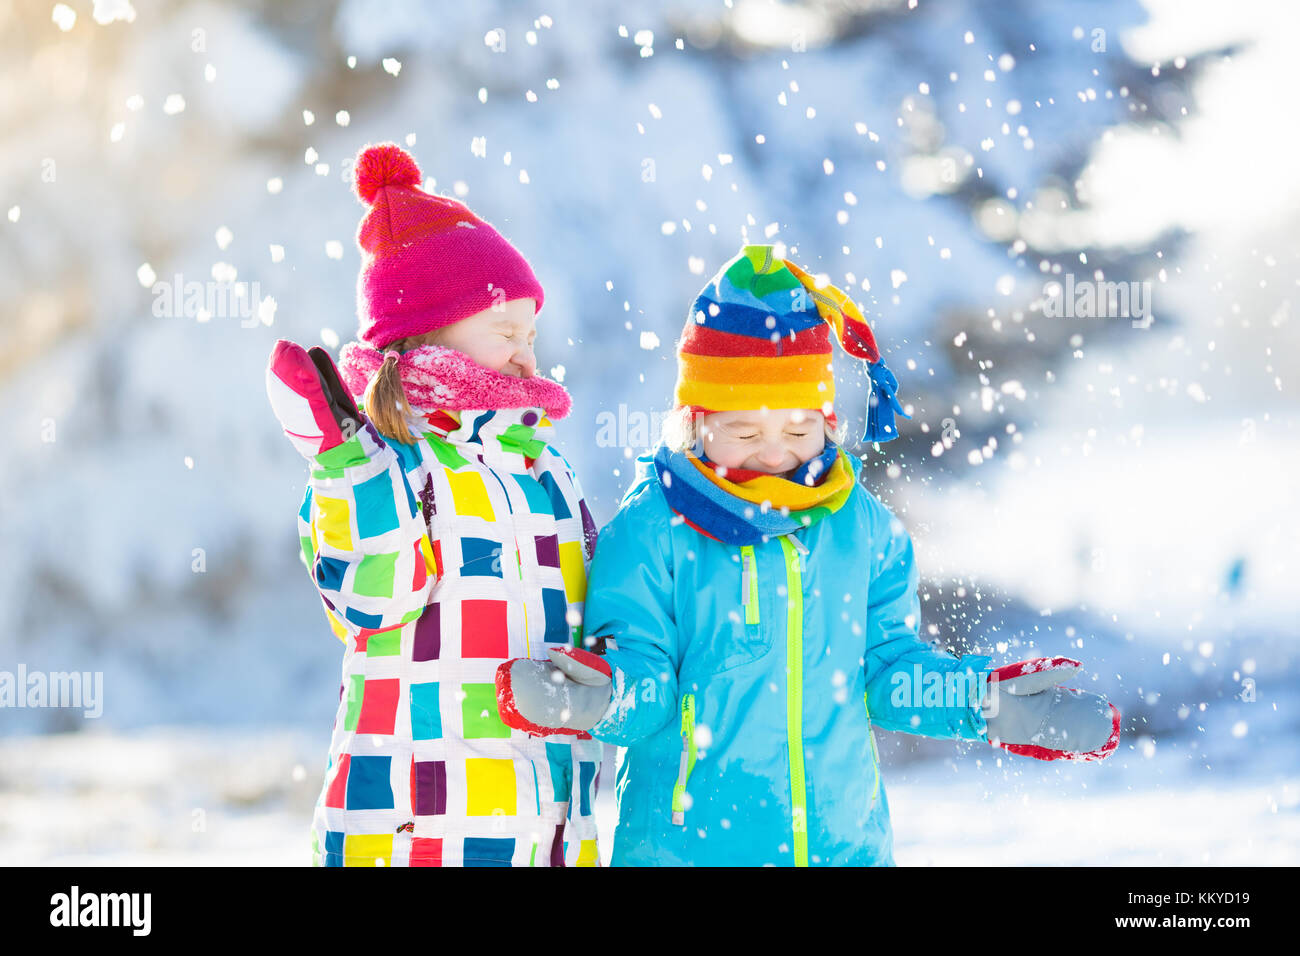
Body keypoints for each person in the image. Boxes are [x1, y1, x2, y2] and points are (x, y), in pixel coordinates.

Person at [495, 244, 1119, 866]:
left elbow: (891, 671)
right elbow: (646, 678)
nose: (774, 453)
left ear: (827, 421)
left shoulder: (860, 527)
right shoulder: (655, 529)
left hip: (840, 848)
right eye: (744, 431)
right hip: (687, 850)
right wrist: (600, 699)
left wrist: (984, 704)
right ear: (696, 423)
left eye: (798, 430)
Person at [266, 142, 601, 867]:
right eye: (504, 333)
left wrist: (607, 667)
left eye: (530, 334)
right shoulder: (395, 464)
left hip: (548, 823)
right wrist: (343, 464)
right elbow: (375, 598)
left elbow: (600, 601)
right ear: (425, 336)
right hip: (416, 825)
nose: (526, 354)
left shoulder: (547, 471)